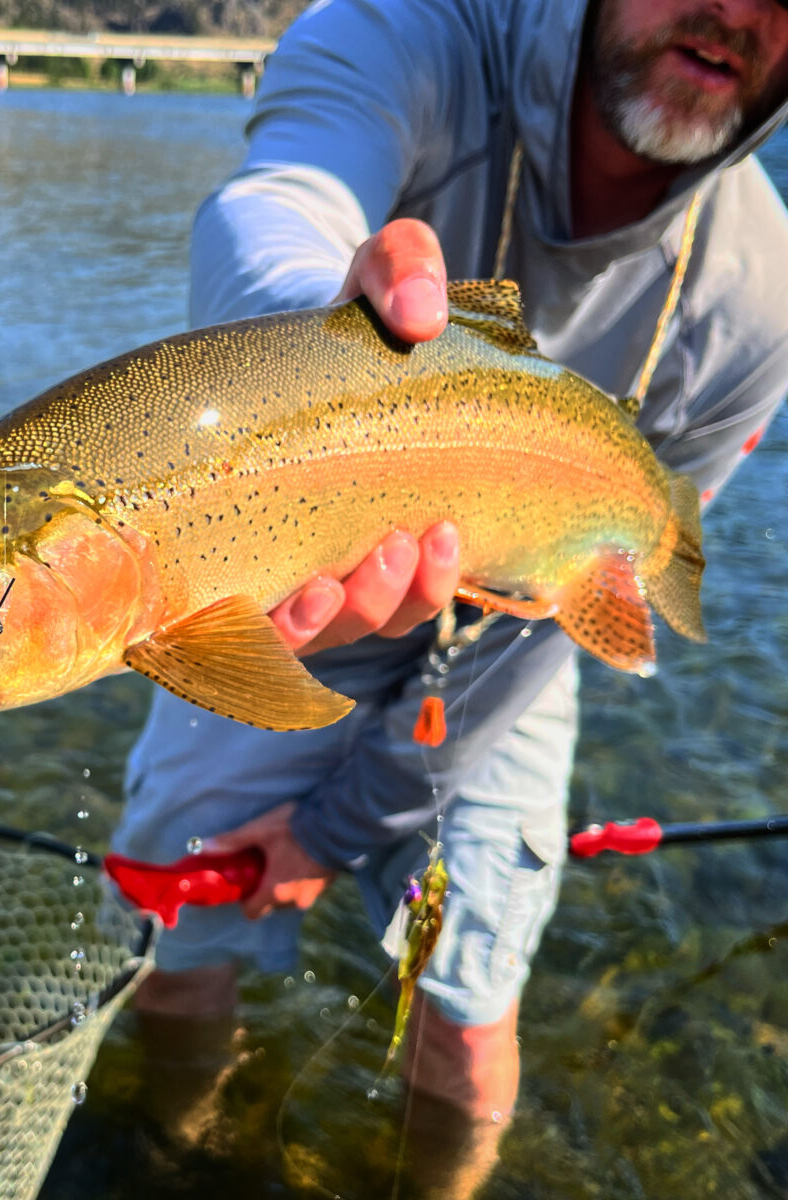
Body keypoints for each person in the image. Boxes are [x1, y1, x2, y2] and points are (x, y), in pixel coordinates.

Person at [112, 0, 788, 1193]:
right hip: (266, 572)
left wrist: (333, 829)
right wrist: (300, 351)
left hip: (508, 652)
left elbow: (551, 639)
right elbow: (280, 200)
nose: (733, 11)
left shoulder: (759, 300)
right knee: (180, 924)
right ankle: (182, 1156)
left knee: (470, 1009)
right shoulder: (400, 31)